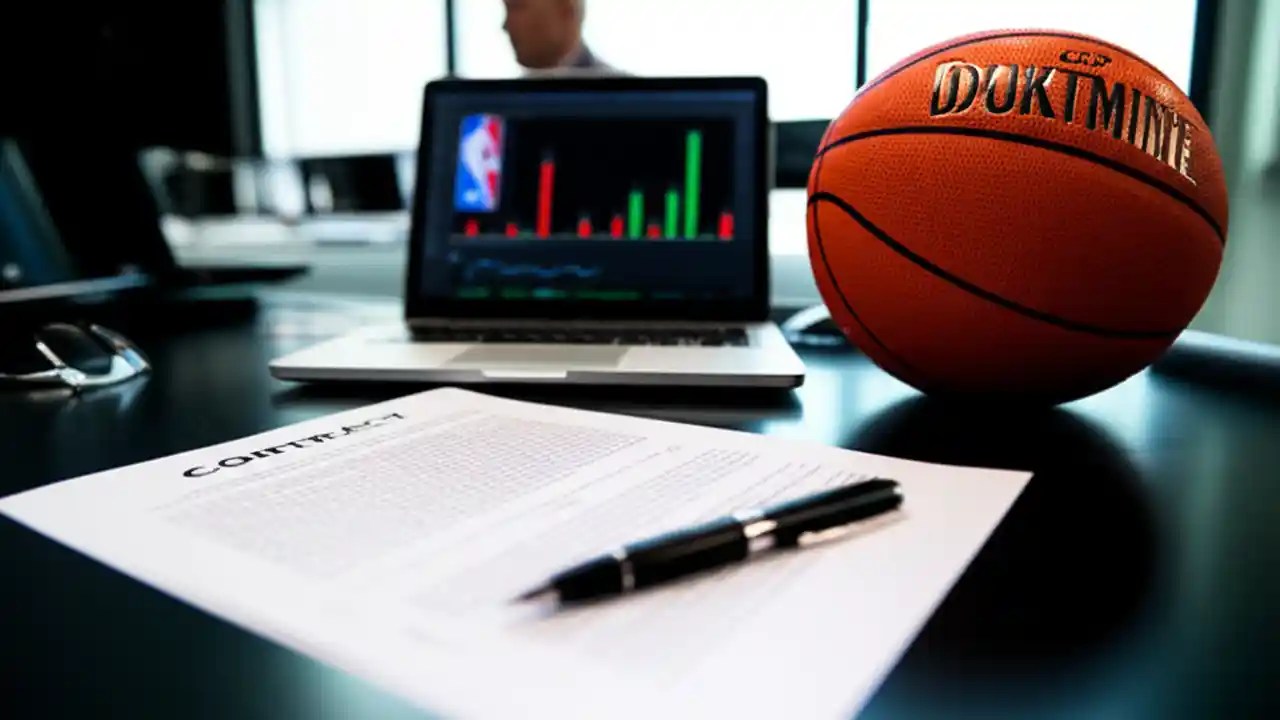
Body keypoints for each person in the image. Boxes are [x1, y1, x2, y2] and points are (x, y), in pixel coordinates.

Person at [502, 0, 623, 76]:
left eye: (516, 8)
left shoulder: (625, 105)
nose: (505, 26)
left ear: (565, 9)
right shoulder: (503, 104)